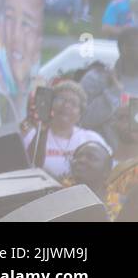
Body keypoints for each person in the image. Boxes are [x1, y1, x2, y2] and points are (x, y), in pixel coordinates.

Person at [21, 80, 111, 181]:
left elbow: (108, 167)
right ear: (51, 104)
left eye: (73, 103)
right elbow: (26, 166)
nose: (66, 105)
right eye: (61, 99)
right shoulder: (34, 134)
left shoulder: (90, 138)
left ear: (80, 114)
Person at [80, 26, 138, 156]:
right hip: (100, 162)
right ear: (125, 48)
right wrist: (113, 92)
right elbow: (82, 120)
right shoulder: (97, 78)